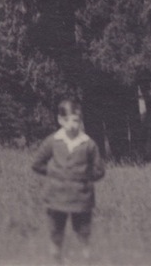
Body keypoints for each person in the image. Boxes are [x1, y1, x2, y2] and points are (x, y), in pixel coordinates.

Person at [30, 97, 106, 263]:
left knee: (83, 233)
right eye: (69, 121)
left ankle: (86, 259)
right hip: (56, 197)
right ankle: (56, 260)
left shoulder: (88, 144)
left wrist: (83, 178)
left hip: (81, 198)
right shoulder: (53, 141)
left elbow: (99, 170)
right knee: (56, 233)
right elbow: (36, 164)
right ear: (60, 120)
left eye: (77, 120)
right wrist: (55, 173)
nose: (74, 125)